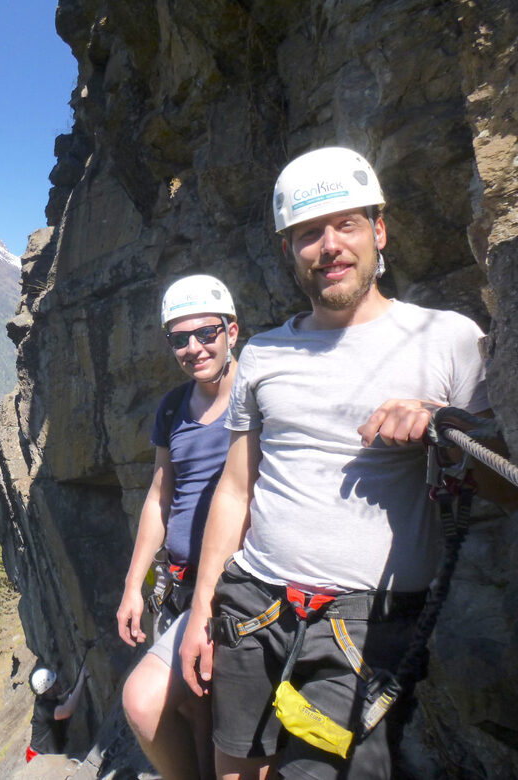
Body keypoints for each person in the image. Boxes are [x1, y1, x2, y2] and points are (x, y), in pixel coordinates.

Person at [180, 147, 506, 780]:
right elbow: (236, 490)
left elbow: (506, 485)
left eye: (346, 224)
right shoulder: (263, 355)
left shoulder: (450, 339)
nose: (329, 246)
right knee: (236, 770)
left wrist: (444, 424)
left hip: (364, 625)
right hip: (251, 604)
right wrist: (201, 614)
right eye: (309, 233)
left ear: (378, 231)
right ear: (288, 250)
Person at [117, 274, 239, 780]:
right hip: (180, 586)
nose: (194, 348)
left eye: (207, 332)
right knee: (185, 707)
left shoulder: (257, 395)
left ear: (232, 330)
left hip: (236, 589)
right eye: (179, 338)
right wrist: (133, 586)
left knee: (173, 702)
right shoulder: (173, 406)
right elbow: (159, 496)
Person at [27, 664, 87, 762]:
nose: (59, 683)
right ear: (48, 690)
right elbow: (67, 711)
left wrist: (68, 695)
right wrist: (81, 682)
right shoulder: (44, 709)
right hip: (39, 757)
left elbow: (57, 703)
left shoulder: (45, 700)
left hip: (42, 754)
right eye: (56, 683)